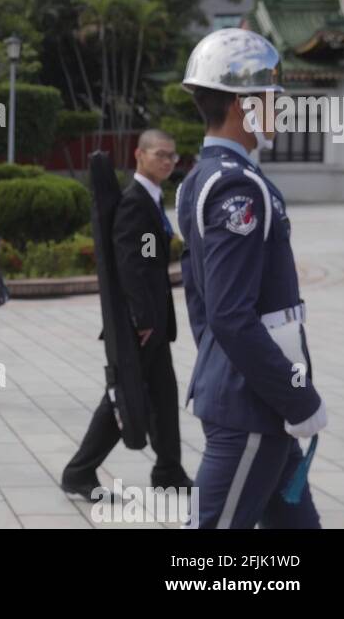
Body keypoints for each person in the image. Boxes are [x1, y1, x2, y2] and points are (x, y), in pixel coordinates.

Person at [176, 28, 325, 528]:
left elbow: (202, 300)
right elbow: (228, 313)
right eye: (274, 101)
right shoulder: (238, 187)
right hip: (253, 410)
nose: (282, 113)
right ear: (244, 106)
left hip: (253, 399)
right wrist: (294, 395)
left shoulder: (202, 179)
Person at [61, 129, 194, 500]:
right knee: (123, 396)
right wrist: (142, 320)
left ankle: (168, 468)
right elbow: (130, 265)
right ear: (140, 154)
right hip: (143, 326)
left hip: (154, 322)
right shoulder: (135, 202)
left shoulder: (150, 198)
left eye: (172, 156)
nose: (168, 161)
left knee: (164, 394)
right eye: (160, 154)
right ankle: (79, 471)